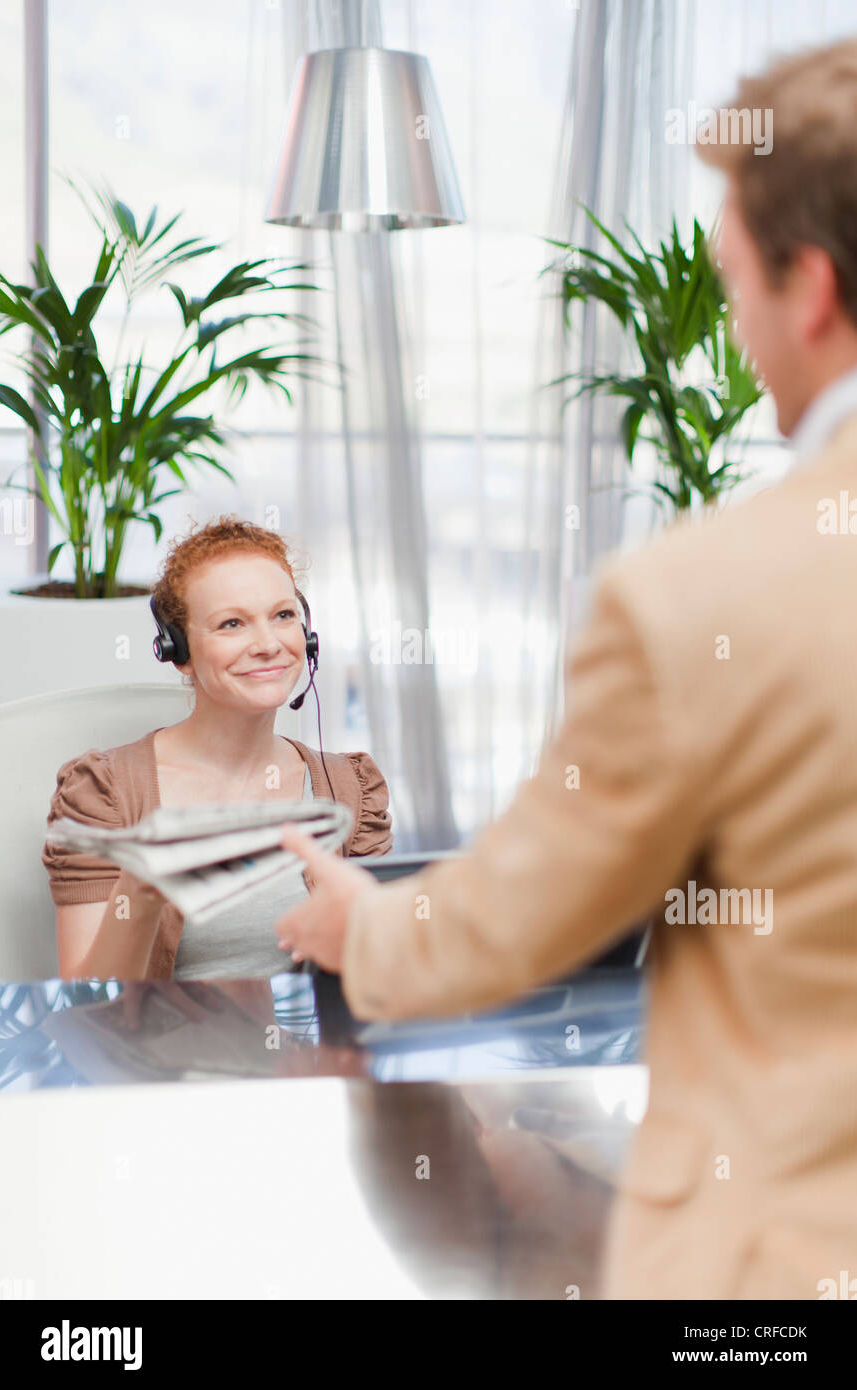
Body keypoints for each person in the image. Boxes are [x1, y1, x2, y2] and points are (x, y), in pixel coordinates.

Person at [273, 39, 857, 1300]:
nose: (737, 327)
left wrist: (359, 924)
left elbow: (513, 923)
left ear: (807, 287)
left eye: (735, 282)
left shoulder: (705, 593)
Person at [42, 517, 392, 981]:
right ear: (178, 649)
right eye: (232, 624)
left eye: (284, 616)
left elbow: (387, 977)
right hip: (167, 1053)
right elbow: (88, 1004)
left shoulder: (352, 790)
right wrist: (143, 886)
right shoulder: (104, 792)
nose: (268, 644)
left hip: (310, 1052)